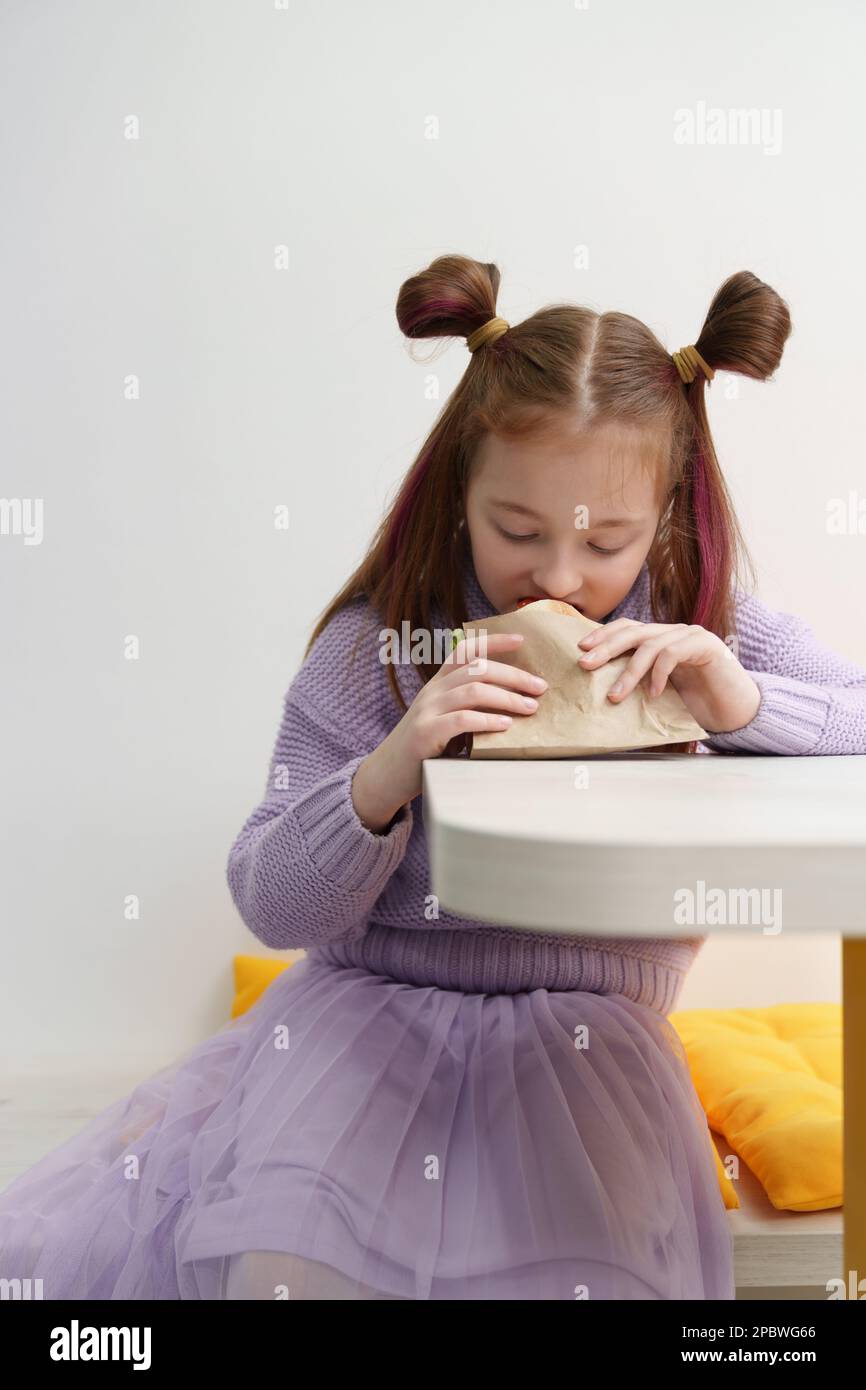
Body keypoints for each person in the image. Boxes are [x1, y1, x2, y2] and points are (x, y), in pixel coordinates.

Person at [2, 256, 865, 1300]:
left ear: (667, 514)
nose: (556, 576)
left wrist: (744, 704)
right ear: (460, 491)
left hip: (587, 1041)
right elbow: (268, 899)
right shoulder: (382, 644)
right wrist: (388, 768)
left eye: (607, 542)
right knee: (292, 1265)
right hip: (363, 1022)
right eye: (516, 531)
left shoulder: (701, 627)